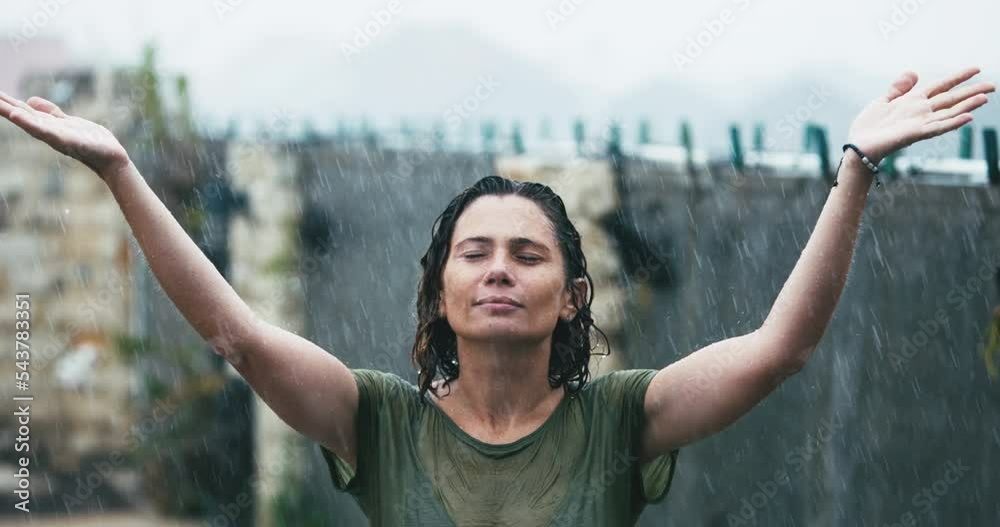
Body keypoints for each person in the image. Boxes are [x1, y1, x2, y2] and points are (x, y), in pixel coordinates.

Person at [0, 66, 992, 526]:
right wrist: (122, 171)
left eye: (527, 252)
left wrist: (855, 164)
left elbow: (780, 346)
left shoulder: (622, 417)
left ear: (569, 295)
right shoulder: (375, 419)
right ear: (441, 291)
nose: (499, 267)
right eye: (473, 252)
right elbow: (243, 337)